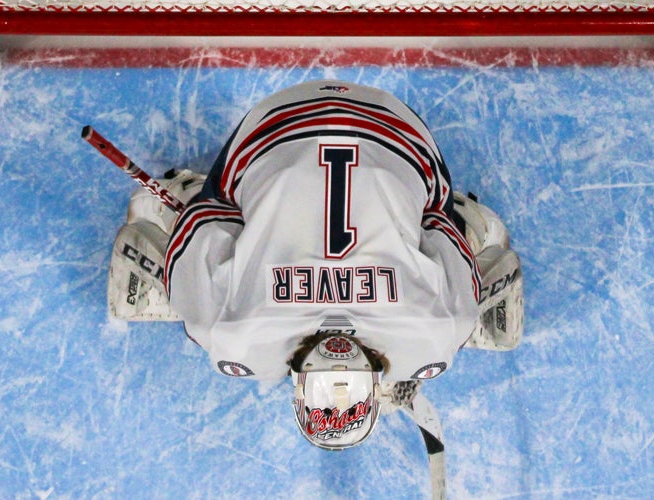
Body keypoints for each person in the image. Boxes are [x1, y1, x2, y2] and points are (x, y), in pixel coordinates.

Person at [107, 80, 522, 451]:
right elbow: (202, 223)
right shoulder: (231, 334)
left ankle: (477, 221)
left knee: (443, 228)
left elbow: (438, 227)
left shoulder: (438, 331)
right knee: (211, 241)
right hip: (276, 125)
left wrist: (408, 356)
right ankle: (169, 200)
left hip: (393, 129)